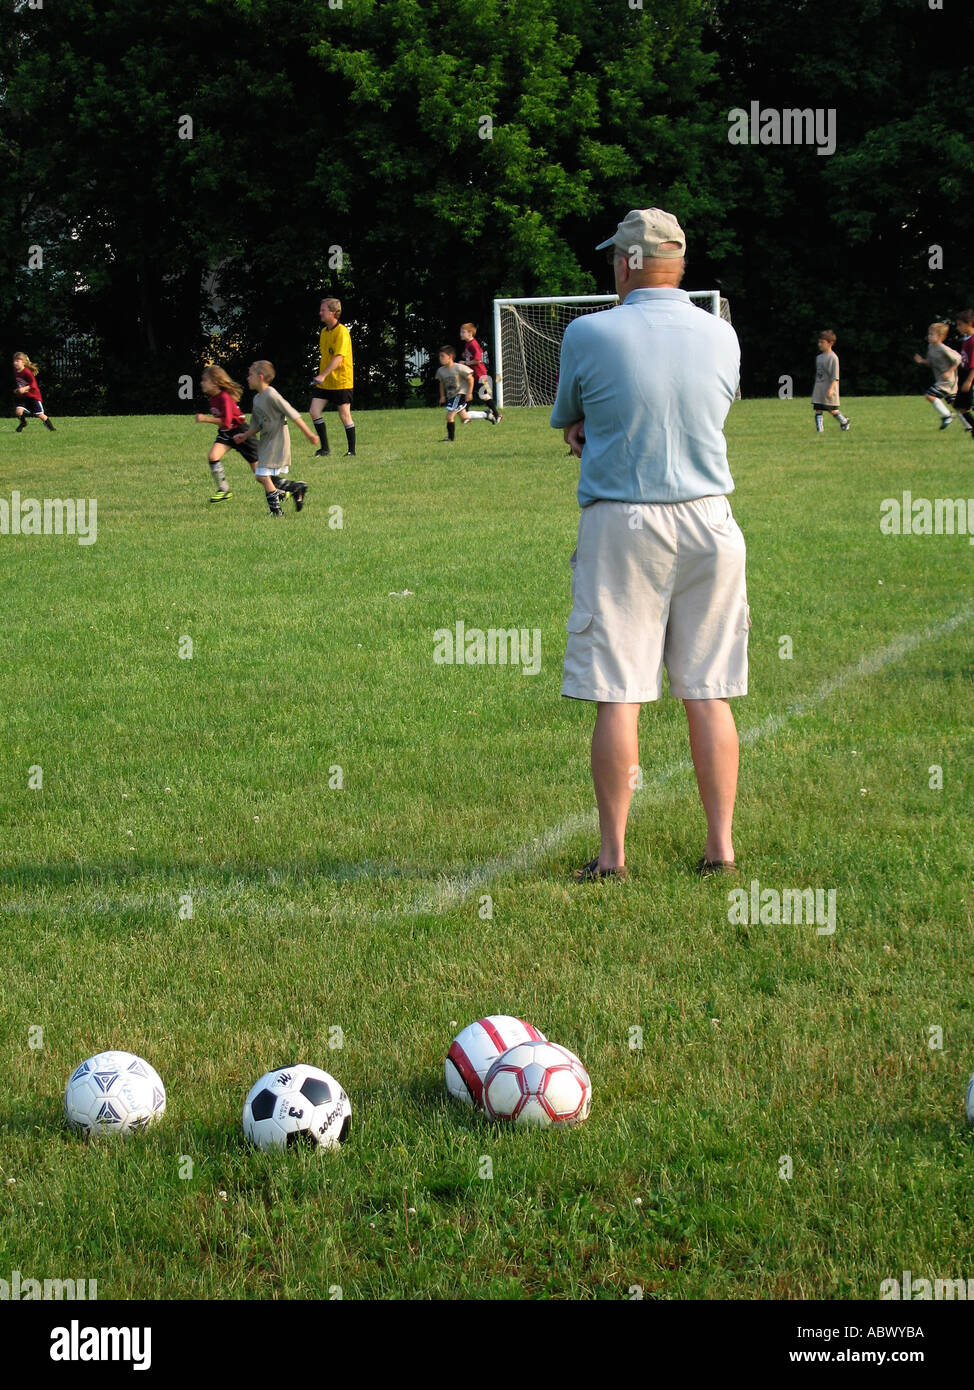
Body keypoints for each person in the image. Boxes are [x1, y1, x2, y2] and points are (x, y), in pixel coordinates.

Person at [550, 208, 748, 881]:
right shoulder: (722, 334)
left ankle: (613, 857)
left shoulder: (588, 331)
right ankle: (719, 847)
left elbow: (571, 417)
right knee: (708, 690)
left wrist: (587, 435)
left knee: (619, 691)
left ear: (630, 262)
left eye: (615, 258)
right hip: (711, 519)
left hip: (624, 520)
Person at [234, 361, 315, 516]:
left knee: (262, 475)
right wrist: (244, 435)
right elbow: (256, 425)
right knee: (265, 476)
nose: (247, 378)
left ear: (261, 377)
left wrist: (309, 434)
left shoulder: (272, 395)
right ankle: (296, 488)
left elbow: (292, 414)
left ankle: (277, 512)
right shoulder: (257, 399)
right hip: (266, 441)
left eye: (250, 375)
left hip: (277, 440)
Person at [195, 364, 258, 501]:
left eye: (205, 380)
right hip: (226, 433)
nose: (202, 383)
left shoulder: (224, 398)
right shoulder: (212, 398)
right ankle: (224, 489)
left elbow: (227, 421)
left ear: (215, 383)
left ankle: (282, 490)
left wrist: (205, 419)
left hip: (241, 432)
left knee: (259, 473)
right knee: (213, 457)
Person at [309, 297, 355, 457]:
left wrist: (322, 375)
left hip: (341, 381)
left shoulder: (342, 331)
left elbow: (338, 357)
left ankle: (351, 451)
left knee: (344, 415)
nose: (320, 313)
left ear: (334, 312)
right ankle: (325, 449)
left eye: (323, 310)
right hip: (325, 382)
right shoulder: (323, 332)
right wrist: (322, 377)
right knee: (314, 411)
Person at [913, 323, 963, 430]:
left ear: (941, 337)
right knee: (955, 404)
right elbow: (931, 363)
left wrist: (949, 372)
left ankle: (947, 415)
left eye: (932, 334)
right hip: (941, 379)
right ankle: (969, 425)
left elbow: (958, 359)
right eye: (929, 334)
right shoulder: (931, 347)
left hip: (948, 380)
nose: (929, 336)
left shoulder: (943, 348)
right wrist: (922, 361)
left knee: (930, 395)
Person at [459, 322, 501, 423]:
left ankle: (496, 415)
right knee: (468, 392)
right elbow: (477, 353)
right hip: (474, 375)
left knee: (483, 395)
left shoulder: (473, 343)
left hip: (480, 374)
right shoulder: (469, 343)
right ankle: (467, 416)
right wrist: (466, 356)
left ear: (470, 334)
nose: (461, 333)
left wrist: (465, 362)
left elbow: (478, 359)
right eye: (461, 331)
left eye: (463, 332)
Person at [812, 330, 850, 432]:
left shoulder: (833, 358)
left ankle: (844, 421)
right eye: (819, 342)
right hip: (819, 388)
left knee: (831, 409)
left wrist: (831, 389)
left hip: (829, 387)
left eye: (822, 342)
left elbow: (835, 376)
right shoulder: (819, 358)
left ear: (830, 343)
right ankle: (820, 430)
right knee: (818, 409)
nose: (819, 344)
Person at [435, 346, 474, 441]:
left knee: (449, 416)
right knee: (465, 418)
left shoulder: (459, 367)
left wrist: (469, 393)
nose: (440, 358)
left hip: (460, 394)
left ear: (450, 356)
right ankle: (487, 414)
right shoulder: (441, 370)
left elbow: (471, 379)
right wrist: (442, 396)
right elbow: (441, 383)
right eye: (439, 356)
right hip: (451, 396)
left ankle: (450, 438)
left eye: (442, 356)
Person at [13, 351, 55, 432]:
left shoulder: (27, 372)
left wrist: (24, 389)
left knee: (40, 415)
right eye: (14, 361)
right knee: (18, 412)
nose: (15, 363)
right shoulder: (16, 372)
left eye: (17, 361)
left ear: (23, 362)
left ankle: (52, 429)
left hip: (33, 397)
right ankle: (23, 422)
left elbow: (33, 385)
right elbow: (20, 385)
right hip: (23, 397)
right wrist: (17, 390)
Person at [954, 309, 974, 439]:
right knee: (960, 406)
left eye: (960, 324)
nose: (958, 327)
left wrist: (969, 380)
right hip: (965, 374)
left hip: (971, 376)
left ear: (970, 323)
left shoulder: (973, 341)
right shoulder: (967, 339)